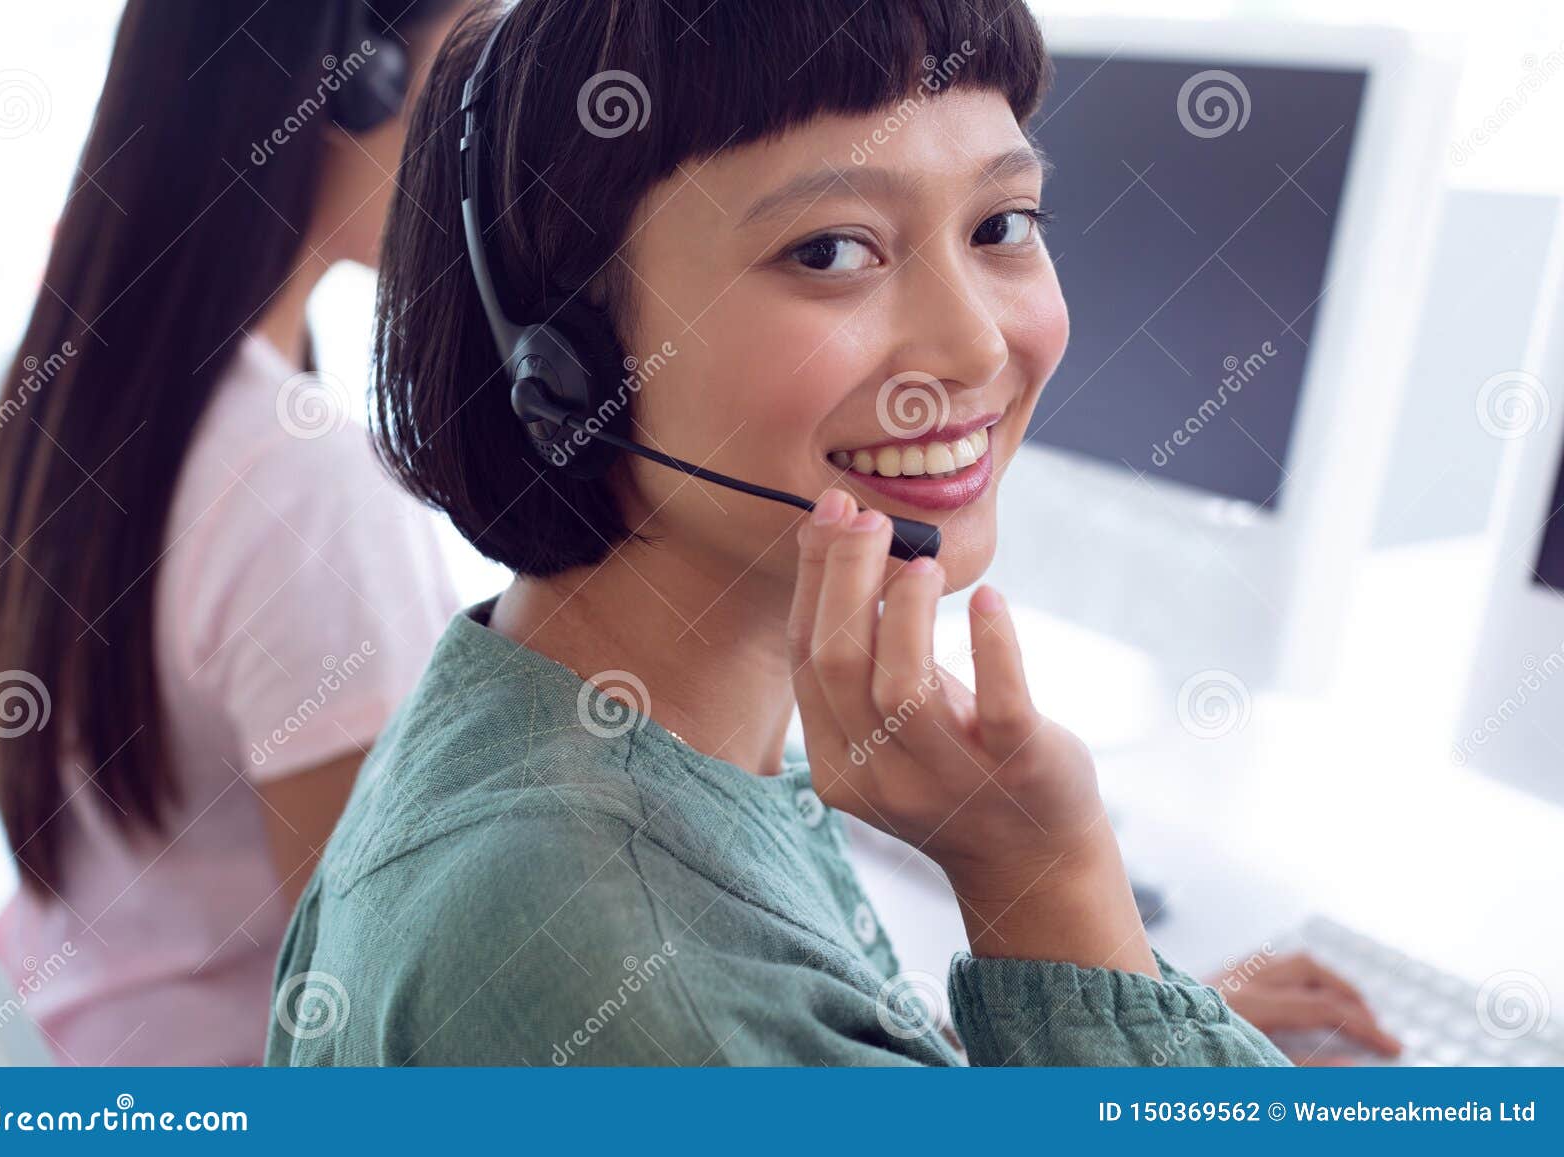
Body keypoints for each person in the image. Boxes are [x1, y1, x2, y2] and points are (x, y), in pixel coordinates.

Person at [265, 0, 1359, 1066]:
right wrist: (1052, 887)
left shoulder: (562, 730)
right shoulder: (629, 963)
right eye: (832, 250)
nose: (976, 346)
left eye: (1002, 226)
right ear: (563, 356)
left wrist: (1088, 1001)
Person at [0, 0, 465, 1066]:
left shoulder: (78, 403)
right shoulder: (305, 487)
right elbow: (385, 1015)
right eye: (466, 79)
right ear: (358, 85)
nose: (487, 145)